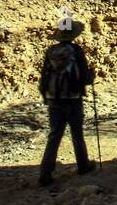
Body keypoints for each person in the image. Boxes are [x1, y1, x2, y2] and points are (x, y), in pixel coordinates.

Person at [37, 19, 96, 185]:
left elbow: (44, 76)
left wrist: (45, 95)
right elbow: (84, 77)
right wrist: (91, 76)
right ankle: (83, 165)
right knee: (77, 133)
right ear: (73, 35)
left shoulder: (51, 51)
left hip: (54, 99)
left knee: (55, 134)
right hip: (73, 98)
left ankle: (45, 173)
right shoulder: (76, 51)